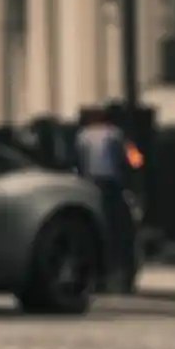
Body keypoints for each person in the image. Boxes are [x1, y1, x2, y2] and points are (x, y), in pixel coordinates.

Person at [75, 107, 136, 292]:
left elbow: (80, 161)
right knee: (120, 230)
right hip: (112, 185)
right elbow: (129, 160)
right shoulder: (114, 134)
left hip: (91, 185)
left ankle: (98, 278)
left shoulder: (83, 135)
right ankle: (122, 278)